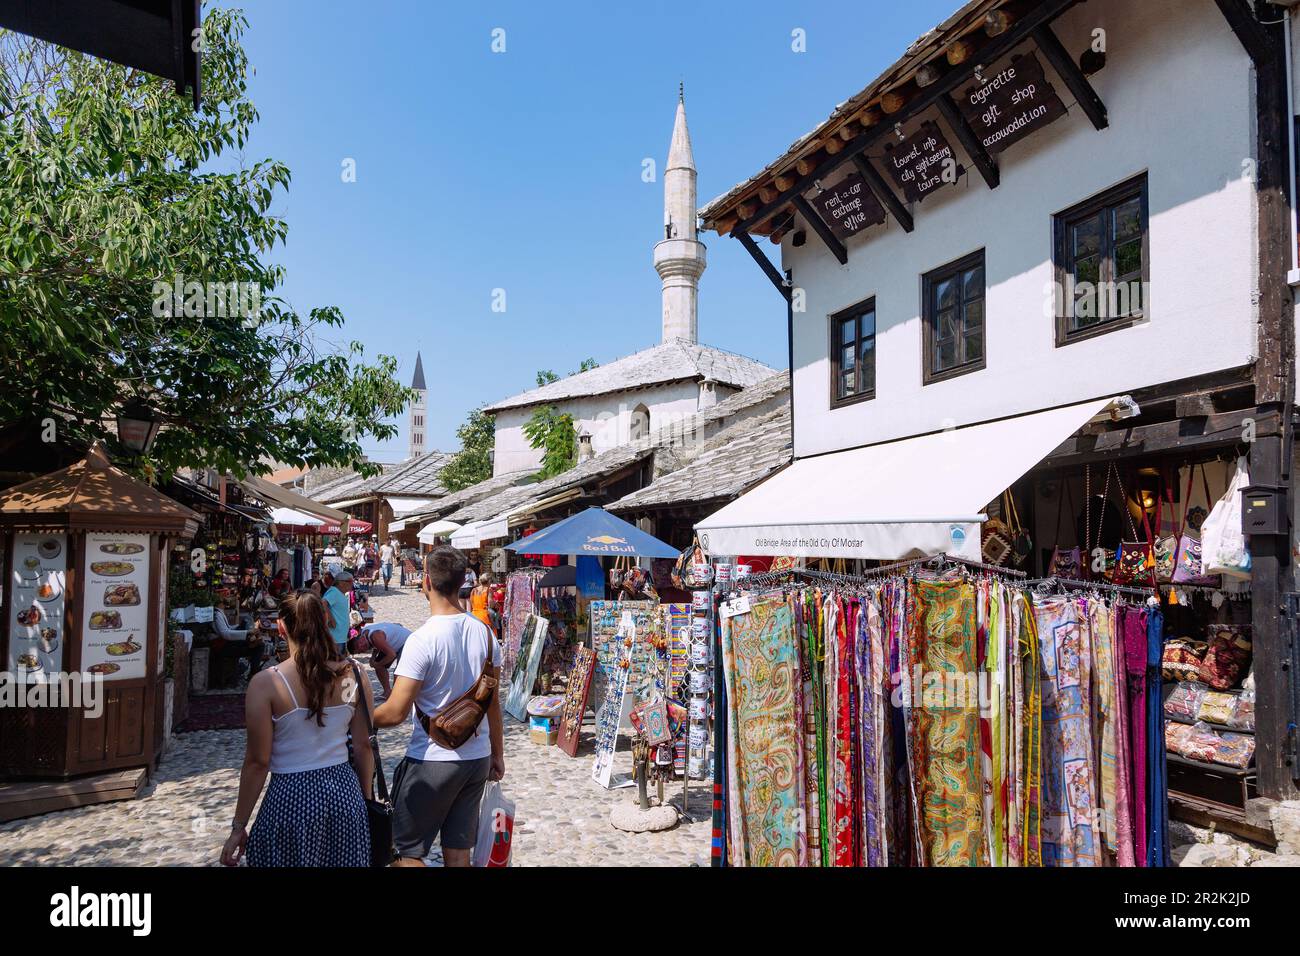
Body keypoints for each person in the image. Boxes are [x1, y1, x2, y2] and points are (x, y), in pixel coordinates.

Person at [221, 590, 374, 867]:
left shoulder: (267, 684)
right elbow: (364, 747)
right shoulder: (354, 674)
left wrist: (239, 824)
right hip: (344, 793)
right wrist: (364, 801)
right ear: (326, 620)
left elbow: (258, 762)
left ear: (281, 627)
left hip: (291, 797)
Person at [374, 547, 505, 867]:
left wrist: (358, 713)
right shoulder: (486, 635)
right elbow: (493, 705)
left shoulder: (422, 640)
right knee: (459, 851)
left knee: (407, 851)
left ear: (425, 583)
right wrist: (497, 755)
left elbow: (395, 713)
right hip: (476, 759)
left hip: (432, 760)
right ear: (463, 581)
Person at [362, 621, 412, 698]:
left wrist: (377, 664)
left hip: (407, 641)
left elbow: (391, 654)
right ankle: (387, 691)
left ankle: (396, 695)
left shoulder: (375, 636)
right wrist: (373, 658)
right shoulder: (365, 634)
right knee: (379, 666)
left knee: (400, 671)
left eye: (361, 649)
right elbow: (377, 644)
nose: (362, 649)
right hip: (392, 643)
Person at [322, 569, 353, 657]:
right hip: (335, 638)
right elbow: (323, 602)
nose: (352, 584)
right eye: (350, 581)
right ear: (341, 583)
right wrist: (331, 618)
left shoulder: (339, 593)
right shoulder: (334, 592)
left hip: (339, 637)